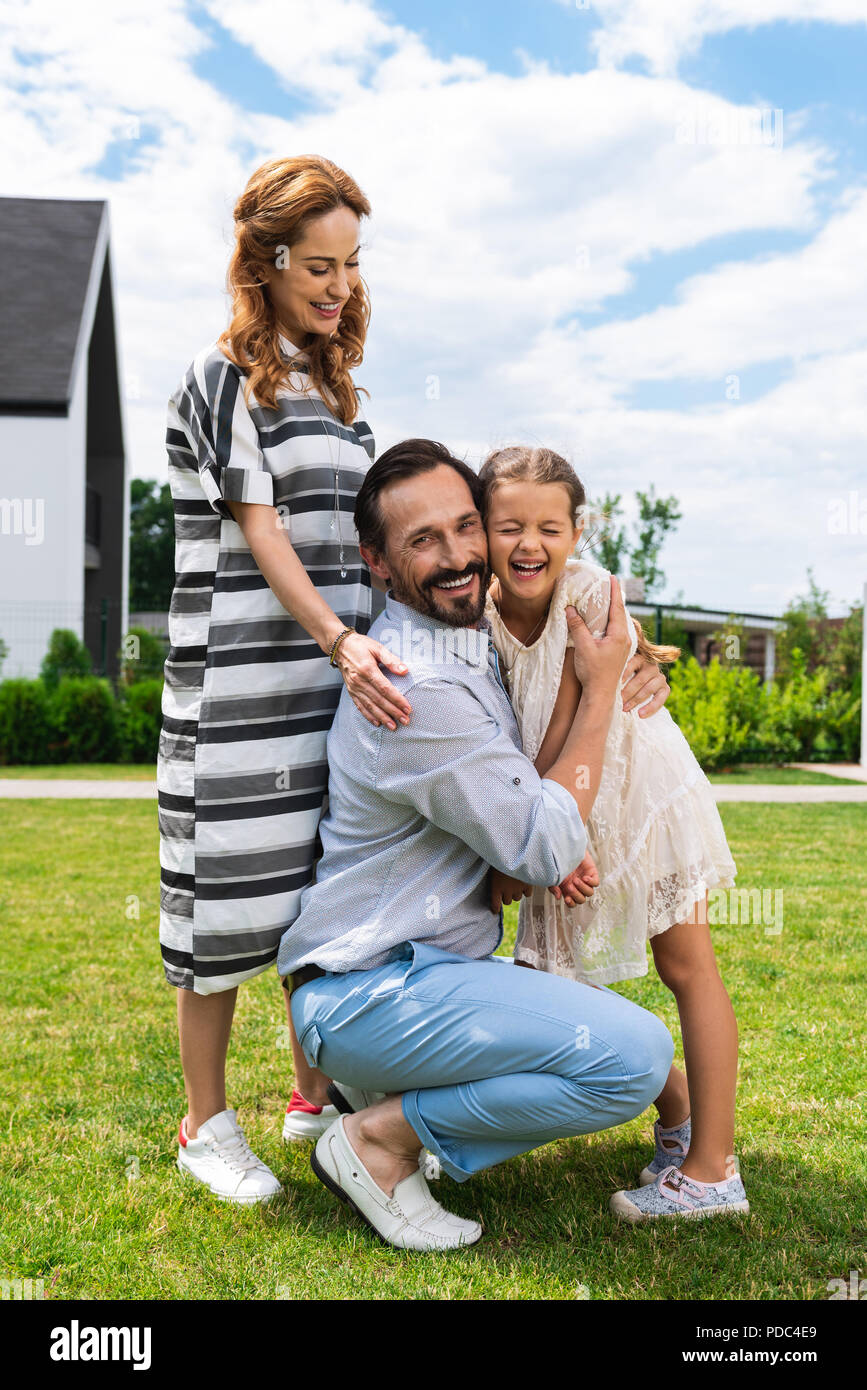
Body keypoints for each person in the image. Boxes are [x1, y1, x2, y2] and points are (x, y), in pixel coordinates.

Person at [276, 439, 675, 1251]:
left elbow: (525, 811)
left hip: (406, 977)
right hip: (368, 994)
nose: (459, 556)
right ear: (377, 562)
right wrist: (601, 688)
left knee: (625, 1049)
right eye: (423, 540)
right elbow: (543, 844)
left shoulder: (458, 640)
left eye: (466, 527)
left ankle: (374, 1103)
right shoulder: (417, 687)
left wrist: (641, 673)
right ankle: (378, 1139)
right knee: (633, 1059)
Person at [158, 155, 408, 1203]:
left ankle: (315, 1099)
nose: (338, 285)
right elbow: (263, 533)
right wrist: (342, 644)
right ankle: (205, 1122)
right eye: (317, 264)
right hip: (236, 704)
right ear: (263, 261)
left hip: (328, 704)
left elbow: (368, 544)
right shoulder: (221, 380)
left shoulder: (340, 393)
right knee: (221, 923)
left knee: (319, 908)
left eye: (349, 265)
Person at [481, 445, 747, 1221]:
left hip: (636, 791)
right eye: (509, 526)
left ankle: (710, 1171)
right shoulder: (475, 608)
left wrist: (561, 836)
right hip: (554, 795)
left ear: (576, 530)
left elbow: (572, 718)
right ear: (484, 529)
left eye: (548, 527)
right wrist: (553, 835)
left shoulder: (592, 592)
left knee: (687, 963)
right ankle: (680, 1116)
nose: (529, 543)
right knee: (552, 976)